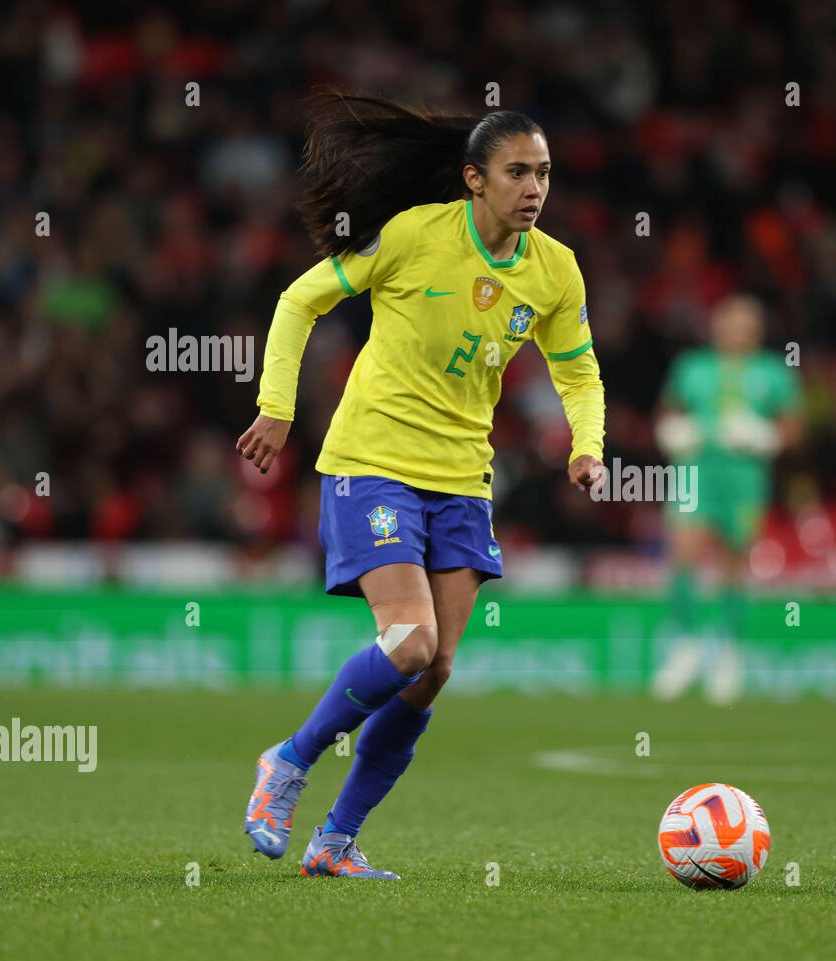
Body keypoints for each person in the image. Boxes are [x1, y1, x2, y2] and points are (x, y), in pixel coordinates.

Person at [236, 91, 606, 878]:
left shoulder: (555, 270)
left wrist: (589, 444)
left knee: (433, 670)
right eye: (517, 172)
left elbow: (577, 369)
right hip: (373, 462)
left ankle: (336, 839)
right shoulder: (413, 237)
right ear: (475, 179)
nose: (535, 187)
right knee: (410, 643)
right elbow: (301, 299)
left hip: (463, 480)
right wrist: (276, 406)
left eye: (543, 172)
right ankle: (290, 758)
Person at [652, 294, 802, 704]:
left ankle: (729, 655)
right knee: (684, 554)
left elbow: (793, 428)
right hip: (695, 472)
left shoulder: (773, 372)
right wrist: (674, 432)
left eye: (743, 324)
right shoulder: (692, 367)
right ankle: (686, 645)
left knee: (734, 564)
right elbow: (667, 414)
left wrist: (764, 435)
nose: (734, 330)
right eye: (727, 322)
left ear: (755, 331)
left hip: (744, 480)